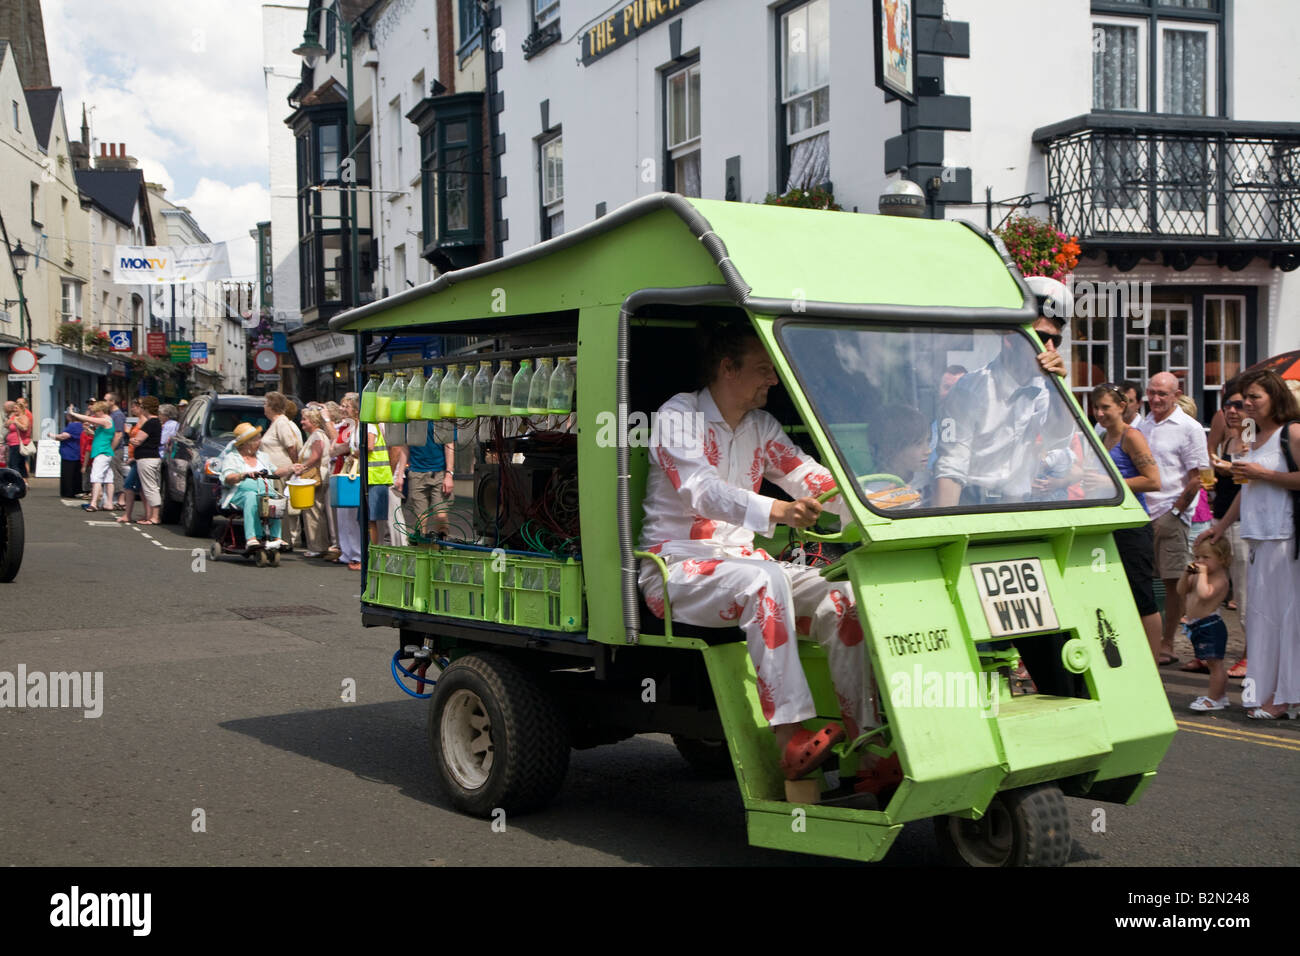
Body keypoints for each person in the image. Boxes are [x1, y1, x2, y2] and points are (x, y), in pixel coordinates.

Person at [638, 323, 877, 784]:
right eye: (763, 368)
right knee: (764, 583)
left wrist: (870, 503)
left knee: (843, 597)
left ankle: (867, 749)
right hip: (675, 569)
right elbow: (701, 493)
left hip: (743, 566)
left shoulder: (761, 427)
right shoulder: (677, 416)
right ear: (728, 368)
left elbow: (809, 477)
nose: (773, 378)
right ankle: (790, 737)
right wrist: (781, 510)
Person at [1201, 369, 1300, 719]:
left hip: (1284, 536)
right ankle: (1265, 691)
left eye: (1254, 397)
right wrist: (1221, 526)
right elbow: (1246, 487)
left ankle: (1284, 698)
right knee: (1261, 620)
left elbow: (1271, 478)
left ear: (1275, 397)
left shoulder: (1292, 433)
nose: (1246, 405)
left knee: (1285, 619)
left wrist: (1265, 474)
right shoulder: (1251, 434)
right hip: (1256, 534)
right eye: (1242, 399)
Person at [932, 279, 1073, 507]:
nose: (1049, 348)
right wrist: (943, 530)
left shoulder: (1045, 390)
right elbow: (951, 467)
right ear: (1010, 338)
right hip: (973, 506)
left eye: (1054, 340)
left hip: (1021, 507)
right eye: (1039, 338)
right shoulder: (969, 391)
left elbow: (1057, 440)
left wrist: (1058, 387)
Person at [1137, 372, 1210, 667]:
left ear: (1176, 394)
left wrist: (1177, 511)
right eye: (1151, 392)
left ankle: (1168, 643)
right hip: (1144, 511)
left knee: (1173, 583)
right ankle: (1151, 641)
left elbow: (1198, 478)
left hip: (1171, 510)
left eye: (1162, 394)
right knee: (1144, 579)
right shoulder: (1145, 423)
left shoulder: (1189, 427)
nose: (1155, 399)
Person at [1090, 383, 1163, 662]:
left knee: (1142, 596)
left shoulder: (1132, 437)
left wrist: (1111, 483)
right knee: (1115, 596)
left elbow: (1153, 481)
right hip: (1108, 526)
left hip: (1133, 526)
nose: (1099, 413)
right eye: (1096, 408)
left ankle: (1153, 666)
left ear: (1122, 407)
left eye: (1106, 407)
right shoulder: (1102, 436)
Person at [1209, 382, 1249, 678]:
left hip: (1241, 523)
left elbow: (1249, 481)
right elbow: (1209, 461)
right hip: (1219, 518)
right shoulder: (1226, 435)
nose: (1233, 411)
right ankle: (1210, 653)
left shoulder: (1249, 433)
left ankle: (1250, 655)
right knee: (1213, 590)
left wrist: (1226, 467)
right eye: (1228, 405)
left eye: (1238, 404)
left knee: (1245, 593)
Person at [217, 422, 302, 550]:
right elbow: (228, 478)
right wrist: (244, 475)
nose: (260, 442)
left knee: (275, 498)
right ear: (246, 443)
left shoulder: (263, 457)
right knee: (252, 496)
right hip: (239, 494)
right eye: (257, 439)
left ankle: (276, 537)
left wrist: (291, 468)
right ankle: (252, 538)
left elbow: (275, 471)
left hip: (264, 493)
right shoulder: (232, 457)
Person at [1180, 536, 1233, 712]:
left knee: (1215, 665)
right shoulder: (1198, 575)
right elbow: (1181, 590)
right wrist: (1187, 573)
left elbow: (1204, 594)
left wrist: (1201, 574)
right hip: (1198, 626)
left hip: (1211, 626)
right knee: (1212, 664)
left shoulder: (1220, 579)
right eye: (1197, 557)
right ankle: (1220, 695)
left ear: (1222, 559)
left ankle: (1214, 698)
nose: (1200, 562)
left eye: (1206, 558)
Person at [260, 392, 303, 546]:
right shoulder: (275, 423)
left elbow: (291, 446)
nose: (264, 407)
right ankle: (278, 538)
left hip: (281, 471)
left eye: (265, 404)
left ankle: (283, 540)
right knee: (275, 506)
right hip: (273, 472)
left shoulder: (281, 423)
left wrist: (295, 466)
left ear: (272, 406)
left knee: (279, 506)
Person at [404, 416, 456, 542]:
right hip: (417, 472)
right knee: (421, 517)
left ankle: (441, 544)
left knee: (441, 515)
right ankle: (422, 549)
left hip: (439, 473)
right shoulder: (411, 417)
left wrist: (449, 474)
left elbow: (449, 445)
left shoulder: (441, 418)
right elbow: (405, 447)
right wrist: (400, 473)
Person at [332, 393, 362, 569]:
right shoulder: (347, 426)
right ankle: (347, 552)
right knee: (344, 516)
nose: (342, 409)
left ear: (356, 411)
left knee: (352, 516)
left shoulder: (361, 426)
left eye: (346, 406)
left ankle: (357, 554)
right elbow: (333, 450)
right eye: (342, 405)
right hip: (347, 472)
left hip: (357, 473)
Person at [296, 408, 331, 557]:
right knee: (315, 510)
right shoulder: (316, 435)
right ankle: (318, 545)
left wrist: (302, 467)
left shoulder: (317, 435)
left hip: (315, 476)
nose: (302, 422)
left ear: (314, 421)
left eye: (305, 419)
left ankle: (317, 546)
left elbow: (316, 456)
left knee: (313, 511)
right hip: (317, 475)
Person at [67, 402, 115, 511]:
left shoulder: (106, 420)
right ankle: (109, 503)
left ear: (101, 411)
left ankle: (93, 503)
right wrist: (90, 432)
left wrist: (72, 413)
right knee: (108, 479)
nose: (95, 415)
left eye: (96, 412)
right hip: (105, 452)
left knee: (96, 477)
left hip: (102, 453)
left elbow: (88, 419)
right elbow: (100, 435)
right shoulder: (107, 422)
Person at [131, 396, 164, 526]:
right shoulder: (157, 422)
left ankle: (154, 517)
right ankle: (151, 516)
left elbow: (137, 440)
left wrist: (132, 440)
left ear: (145, 408)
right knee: (151, 487)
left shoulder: (150, 423)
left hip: (147, 459)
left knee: (150, 488)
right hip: (152, 458)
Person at [366, 420, 394, 546]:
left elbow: (369, 446)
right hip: (373, 476)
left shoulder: (371, 426)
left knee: (373, 518)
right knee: (370, 518)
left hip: (376, 476)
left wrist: (354, 453)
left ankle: (375, 552)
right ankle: (373, 551)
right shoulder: (370, 425)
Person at [53, 410, 85, 499]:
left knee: (68, 474)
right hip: (78, 451)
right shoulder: (82, 425)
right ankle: (77, 490)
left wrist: (52, 436)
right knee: (77, 474)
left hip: (69, 452)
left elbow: (64, 436)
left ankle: (68, 492)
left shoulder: (72, 425)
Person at [103, 392, 127, 508]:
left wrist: (111, 449)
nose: (104, 402)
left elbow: (118, 434)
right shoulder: (112, 414)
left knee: (116, 472)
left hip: (116, 449)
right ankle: (113, 499)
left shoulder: (117, 415)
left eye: (106, 400)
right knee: (112, 473)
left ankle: (121, 500)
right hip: (112, 448)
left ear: (112, 402)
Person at [5, 399, 33, 479]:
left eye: (16, 408)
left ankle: (17, 481)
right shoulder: (14, 417)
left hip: (17, 444)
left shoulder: (24, 417)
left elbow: (24, 428)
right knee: (18, 464)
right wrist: (11, 418)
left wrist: (16, 422)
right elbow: (6, 425)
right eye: (14, 409)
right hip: (12, 444)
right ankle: (23, 482)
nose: (14, 410)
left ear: (21, 409)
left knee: (15, 464)